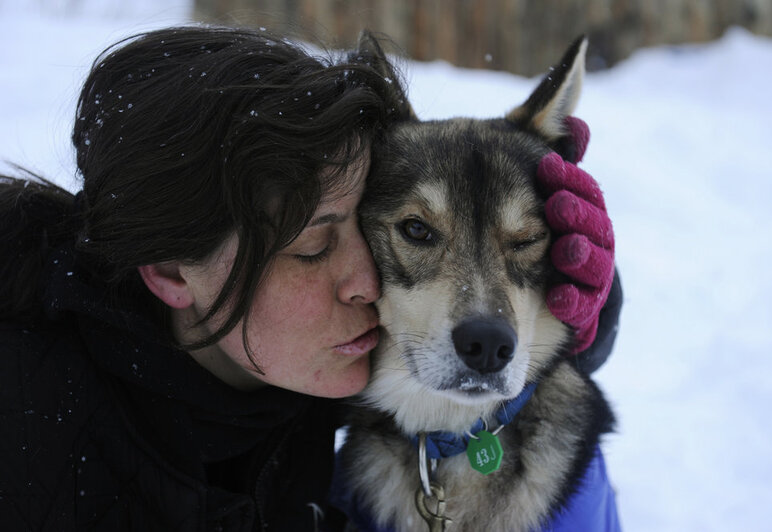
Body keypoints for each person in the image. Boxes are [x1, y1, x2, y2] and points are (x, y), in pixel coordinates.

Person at [0, 25, 620, 531]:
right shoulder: (44, 464)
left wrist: (583, 304)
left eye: (359, 228)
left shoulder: (295, 378)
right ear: (170, 269)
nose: (366, 281)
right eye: (314, 245)